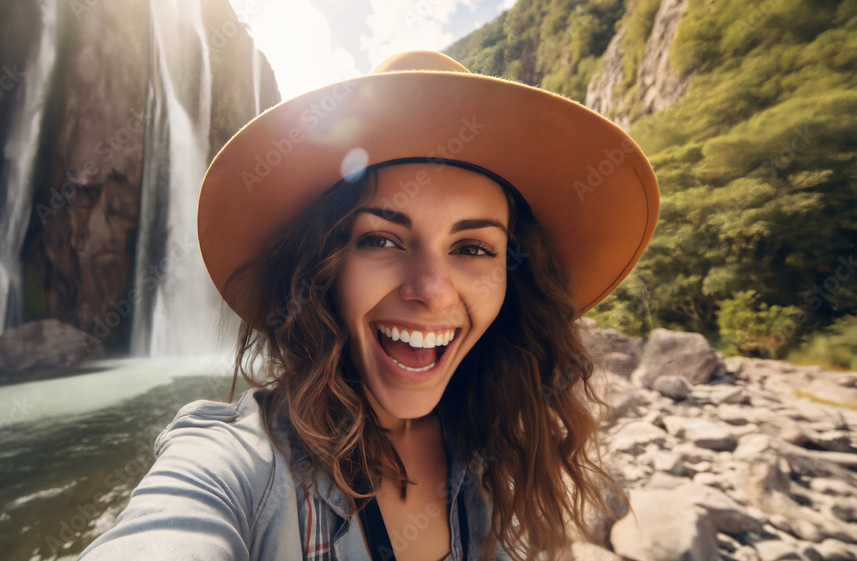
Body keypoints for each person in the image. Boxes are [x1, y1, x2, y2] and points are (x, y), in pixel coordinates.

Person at [79, 50, 659, 561]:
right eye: (381, 239)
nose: (431, 290)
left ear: (513, 279)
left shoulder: (494, 452)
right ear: (320, 270)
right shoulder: (236, 464)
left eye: (474, 248)